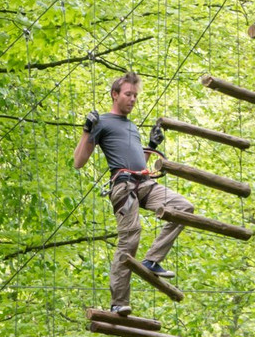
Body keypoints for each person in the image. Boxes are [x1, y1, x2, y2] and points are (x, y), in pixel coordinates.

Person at [74, 71, 194, 316]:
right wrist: (87, 130)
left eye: (135, 96)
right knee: (131, 236)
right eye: (128, 94)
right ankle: (119, 301)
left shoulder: (132, 127)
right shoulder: (103, 122)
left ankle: (152, 260)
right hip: (123, 186)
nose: (133, 99)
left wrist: (151, 146)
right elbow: (78, 161)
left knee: (183, 208)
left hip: (144, 182)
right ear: (115, 95)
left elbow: (139, 162)